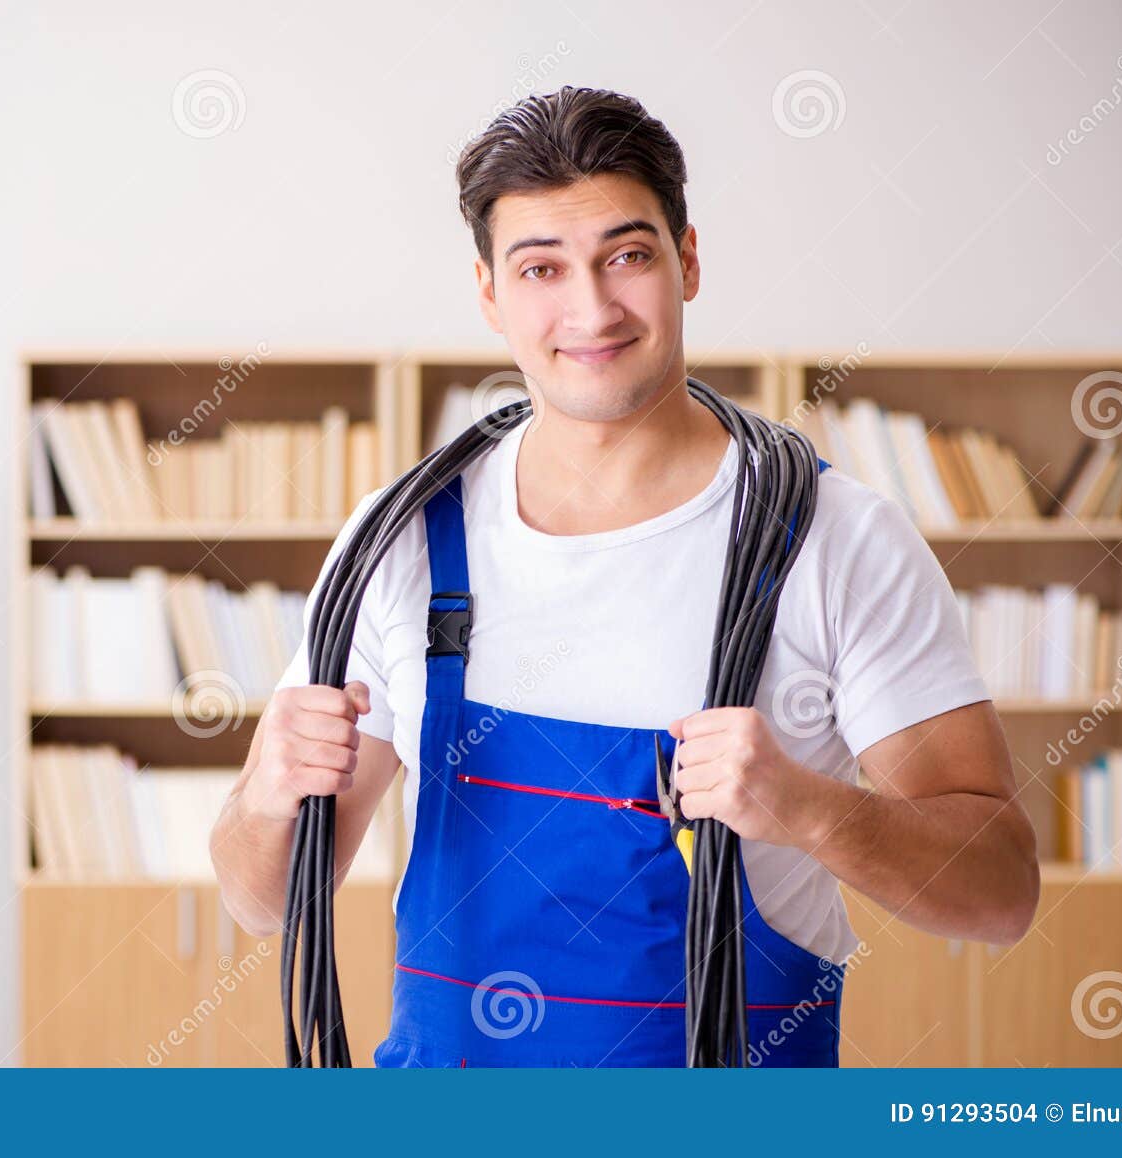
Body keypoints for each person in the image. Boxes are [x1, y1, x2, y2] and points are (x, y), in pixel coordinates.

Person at [209, 85, 1038, 1067]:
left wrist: (808, 808)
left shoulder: (835, 539)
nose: (590, 308)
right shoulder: (399, 541)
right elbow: (263, 902)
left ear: (687, 260)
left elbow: (1000, 896)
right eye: (541, 268)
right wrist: (265, 794)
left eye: (627, 255)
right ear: (489, 294)